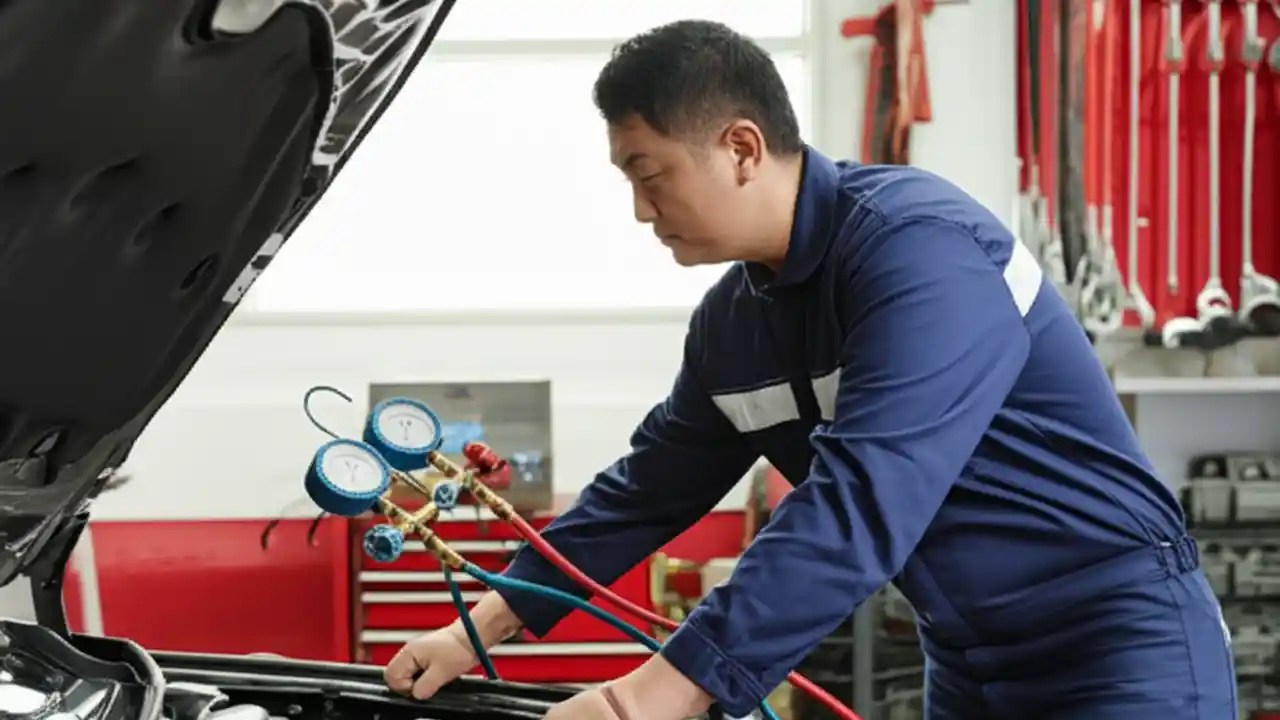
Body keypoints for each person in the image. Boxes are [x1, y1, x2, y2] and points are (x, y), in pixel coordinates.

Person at [383, 19, 1238, 720]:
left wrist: (652, 695)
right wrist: (474, 633)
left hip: (1118, 641)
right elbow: (645, 493)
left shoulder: (919, 252)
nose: (641, 210)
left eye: (651, 176)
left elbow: (865, 496)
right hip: (969, 660)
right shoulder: (733, 324)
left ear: (742, 148)